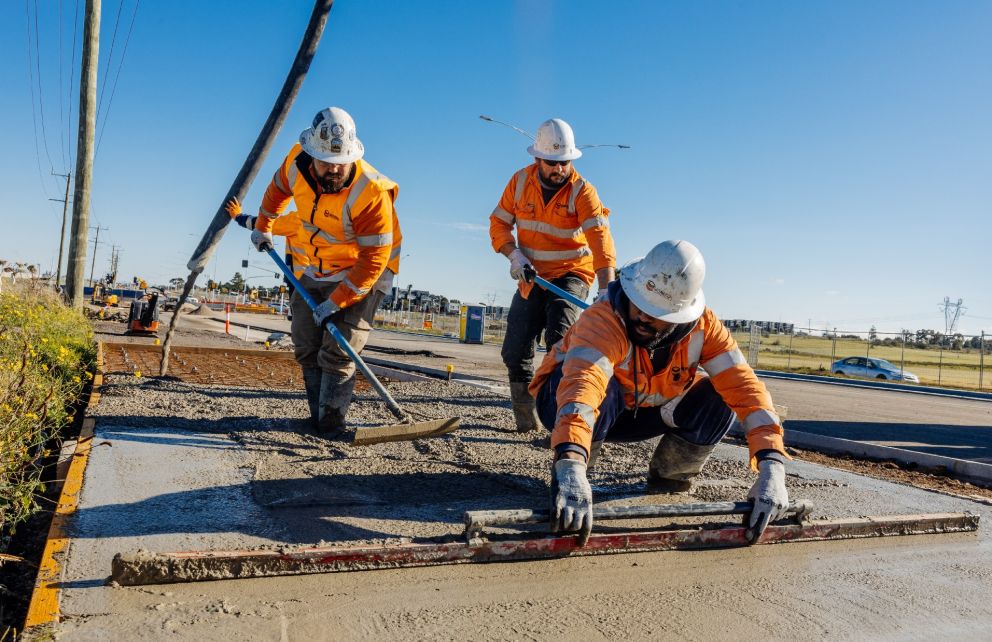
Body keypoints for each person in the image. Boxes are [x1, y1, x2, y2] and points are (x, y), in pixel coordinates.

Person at [530, 240, 790, 544]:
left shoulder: (706, 328)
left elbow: (745, 388)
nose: (642, 316)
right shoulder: (603, 320)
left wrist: (772, 466)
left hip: (639, 411)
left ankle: (671, 479)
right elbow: (581, 389)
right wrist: (571, 464)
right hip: (562, 402)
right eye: (638, 304)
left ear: (681, 317)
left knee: (720, 396)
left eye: (655, 314)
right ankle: (577, 477)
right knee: (605, 387)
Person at [238, 106, 402, 437]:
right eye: (326, 162)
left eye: (340, 164)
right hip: (314, 264)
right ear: (311, 154)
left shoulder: (371, 193)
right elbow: (276, 192)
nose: (333, 170)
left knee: (339, 349)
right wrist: (264, 226)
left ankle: (331, 424)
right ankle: (317, 417)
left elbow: (373, 259)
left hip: (363, 272)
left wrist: (337, 301)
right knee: (306, 344)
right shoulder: (296, 162)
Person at [489, 118, 617, 432]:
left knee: (561, 339)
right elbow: (499, 224)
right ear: (537, 159)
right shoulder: (519, 183)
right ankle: (526, 421)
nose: (559, 169)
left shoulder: (583, 191)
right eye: (552, 162)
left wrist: (606, 289)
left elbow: (600, 240)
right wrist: (514, 255)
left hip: (572, 274)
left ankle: (563, 421)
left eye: (564, 162)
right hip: (531, 276)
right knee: (515, 348)